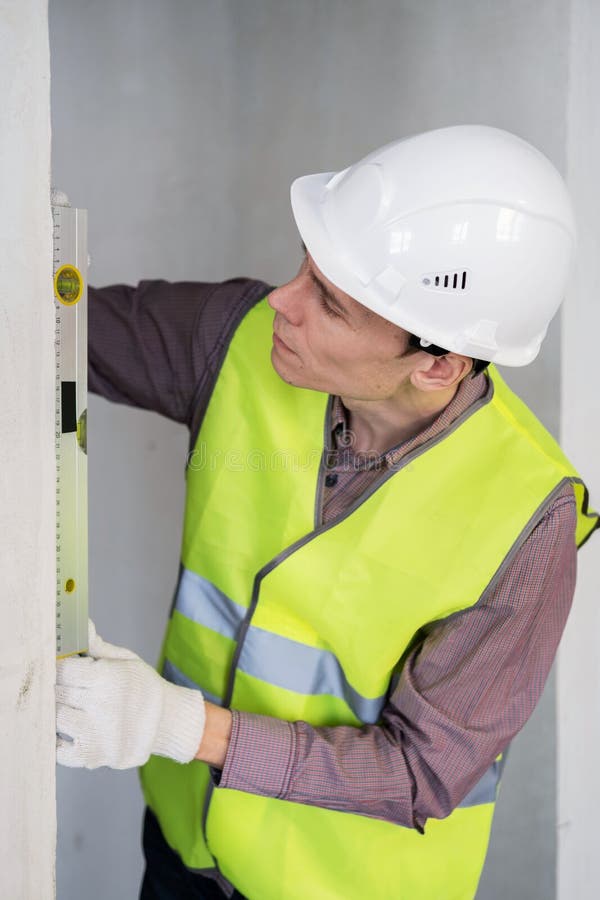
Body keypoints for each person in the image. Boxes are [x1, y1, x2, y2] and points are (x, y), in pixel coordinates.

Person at [56, 125, 598, 900]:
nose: (285, 301)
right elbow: (52, 330)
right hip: (186, 854)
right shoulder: (239, 338)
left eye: (331, 304)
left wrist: (179, 727)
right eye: (305, 269)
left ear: (439, 364)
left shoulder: (527, 520)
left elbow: (420, 772)